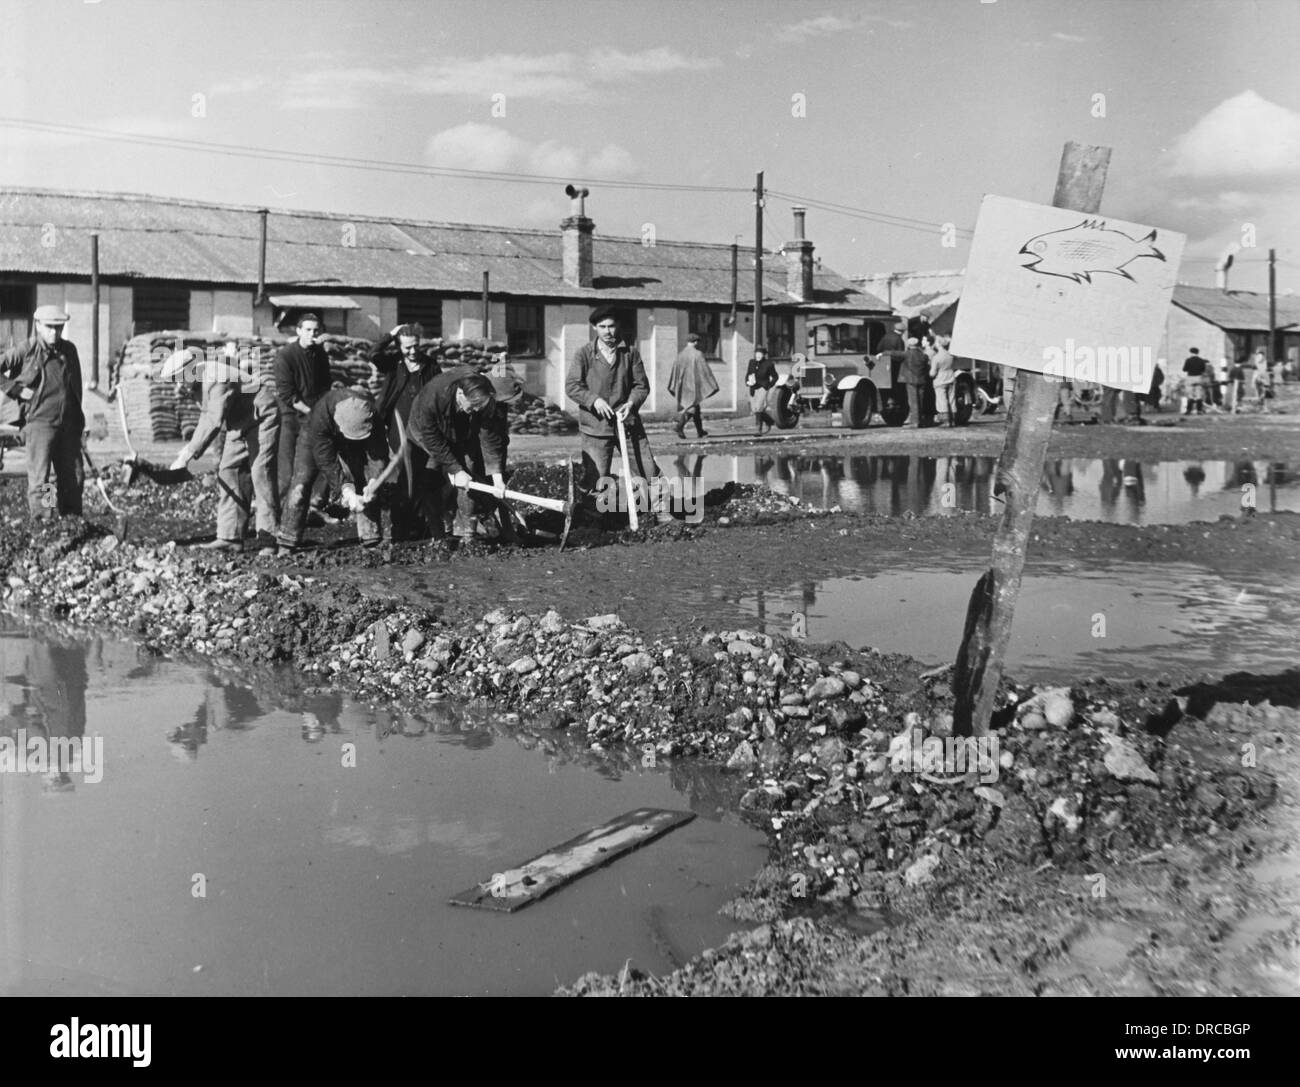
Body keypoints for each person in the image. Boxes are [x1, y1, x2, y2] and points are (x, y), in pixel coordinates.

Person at [565, 305, 673, 523]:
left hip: (628, 423)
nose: (608, 331)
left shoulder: (630, 353)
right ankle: (593, 518)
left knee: (647, 468)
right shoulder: (584, 354)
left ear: (618, 326)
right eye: (602, 327)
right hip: (595, 427)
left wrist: (631, 403)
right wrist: (593, 400)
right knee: (596, 475)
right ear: (595, 328)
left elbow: (641, 386)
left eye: (612, 326)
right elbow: (572, 386)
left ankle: (662, 511)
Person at [168, 347, 279, 552]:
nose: (178, 384)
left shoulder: (216, 377)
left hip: (262, 416)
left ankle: (268, 540)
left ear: (191, 368)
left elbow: (214, 419)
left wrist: (188, 454)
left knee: (260, 473)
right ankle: (230, 537)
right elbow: (206, 416)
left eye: (179, 377)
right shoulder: (197, 383)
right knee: (228, 471)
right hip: (238, 422)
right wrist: (189, 450)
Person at [408, 367, 516, 541]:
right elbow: (432, 438)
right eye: (472, 407)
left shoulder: (481, 393)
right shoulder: (433, 398)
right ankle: (438, 533)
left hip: (458, 430)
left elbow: (489, 436)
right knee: (432, 476)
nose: (474, 410)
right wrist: (455, 469)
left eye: (477, 408)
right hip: (424, 432)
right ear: (460, 394)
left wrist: (497, 478)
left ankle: (468, 533)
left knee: (469, 472)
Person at [276, 388, 388, 553]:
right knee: (301, 483)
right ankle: (287, 541)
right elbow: (327, 462)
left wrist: (373, 482)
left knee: (364, 482)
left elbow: (377, 454)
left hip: (356, 438)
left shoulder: (370, 416)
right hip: (314, 435)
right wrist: (346, 491)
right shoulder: (321, 417)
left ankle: (370, 540)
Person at [0, 304, 85, 520]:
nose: (54, 332)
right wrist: (15, 389)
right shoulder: (26, 350)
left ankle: (71, 522)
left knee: (72, 478)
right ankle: (46, 522)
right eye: (49, 327)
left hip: (68, 426)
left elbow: (75, 387)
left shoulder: (69, 350)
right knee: (42, 479)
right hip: (40, 424)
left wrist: (78, 423)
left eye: (58, 327)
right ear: (37, 325)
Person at [369, 323, 441, 539]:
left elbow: (438, 393)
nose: (412, 352)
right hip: (396, 428)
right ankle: (400, 526)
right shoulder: (394, 363)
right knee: (403, 473)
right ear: (399, 346)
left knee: (419, 474)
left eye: (415, 346)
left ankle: (417, 524)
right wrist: (391, 335)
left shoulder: (430, 366)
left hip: (422, 429)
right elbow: (374, 354)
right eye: (407, 347)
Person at [273, 313, 332, 506]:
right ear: (298, 331)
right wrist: (310, 411)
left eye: (315, 330)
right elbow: (287, 395)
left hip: (314, 417)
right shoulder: (286, 355)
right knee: (287, 469)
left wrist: (322, 412)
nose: (312, 334)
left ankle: (312, 507)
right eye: (307, 330)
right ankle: (282, 513)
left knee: (318, 461)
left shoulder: (320, 355)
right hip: (292, 418)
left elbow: (325, 386)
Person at [668, 332, 718, 438]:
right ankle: (679, 426)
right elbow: (705, 370)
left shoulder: (680, 355)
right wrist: (711, 383)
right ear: (695, 342)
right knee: (691, 408)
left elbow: (675, 371)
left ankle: (700, 431)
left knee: (696, 410)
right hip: (693, 386)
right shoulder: (697, 354)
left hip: (683, 386)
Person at [744, 345, 778, 435]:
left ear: (764, 355)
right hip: (752, 387)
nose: (758, 355)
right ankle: (769, 421)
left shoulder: (768, 364)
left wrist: (769, 385)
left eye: (760, 354)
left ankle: (758, 429)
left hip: (763, 387)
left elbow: (775, 377)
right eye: (757, 353)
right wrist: (747, 381)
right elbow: (748, 373)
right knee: (754, 409)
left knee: (759, 407)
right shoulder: (751, 362)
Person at [900, 336, 929, 428]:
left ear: (909, 345)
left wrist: (883, 353)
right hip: (921, 380)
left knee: (913, 401)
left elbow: (895, 353)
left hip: (911, 380)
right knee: (920, 401)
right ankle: (921, 421)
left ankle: (914, 422)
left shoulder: (907, 354)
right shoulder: (923, 355)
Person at [929, 335, 958, 426]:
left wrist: (930, 374)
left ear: (939, 345)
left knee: (942, 401)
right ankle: (953, 420)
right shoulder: (950, 355)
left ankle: (945, 421)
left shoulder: (936, 357)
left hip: (940, 380)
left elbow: (932, 373)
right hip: (951, 378)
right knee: (952, 400)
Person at [1181, 347, 1208, 415]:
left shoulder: (1188, 360)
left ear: (1191, 352)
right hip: (1198, 377)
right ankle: (1199, 410)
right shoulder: (1201, 360)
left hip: (1190, 377)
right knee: (1199, 394)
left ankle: (1188, 410)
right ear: (1197, 353)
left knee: (1190, 394)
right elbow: (1203, 369)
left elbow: (1184, 369)